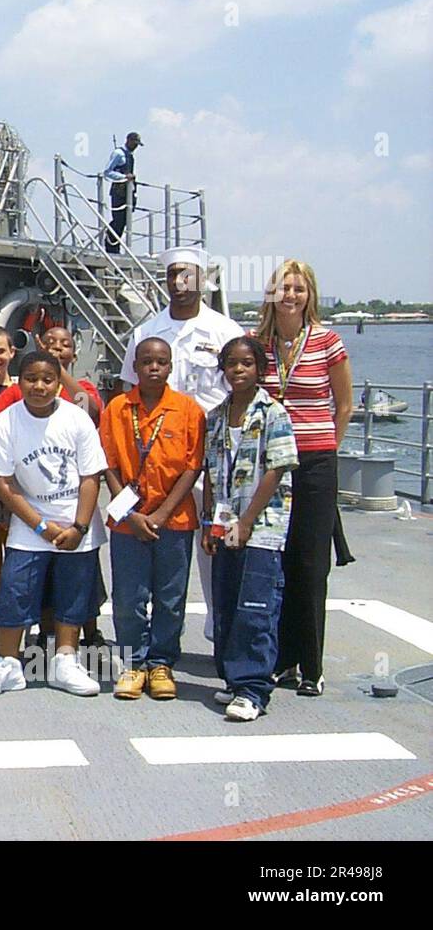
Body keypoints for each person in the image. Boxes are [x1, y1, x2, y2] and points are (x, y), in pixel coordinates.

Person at [120, 245, 243, 641]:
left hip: (215, 448)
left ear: (202, 280)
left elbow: (241, 388)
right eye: (172, 274)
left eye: (187, 274)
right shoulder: (147, 332)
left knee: (216, 534)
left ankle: (219, 620)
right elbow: (127, 391)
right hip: (158, 455)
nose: (179, 282)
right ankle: (149, 639)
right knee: (160, 541)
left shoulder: (226, 332)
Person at [0, 350, 107, 697]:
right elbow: (3, 483)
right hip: (29, 526)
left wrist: (78, 527)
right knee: (14, 592)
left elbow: (92, 477)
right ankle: (7, 666)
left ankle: (65, 662)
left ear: (59, 383)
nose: (40, 386)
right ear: (20, 380)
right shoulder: (6, 422)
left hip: (77, 526)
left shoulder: (77, 420)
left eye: (48, 379)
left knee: (72, 594)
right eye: (31, 378)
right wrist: (41, 526)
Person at [255, 260, 352, 696]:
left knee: (311, 566)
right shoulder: (259, 344)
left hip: (315, 465)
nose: (290, 296)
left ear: (309, 295)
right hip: (272, 467)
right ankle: (282, 659)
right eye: (283, 288)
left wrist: (327, 447)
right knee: (277, 561)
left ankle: (311, 664)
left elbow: (344, 405)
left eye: (298, 289)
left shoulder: (328, 343)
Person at [100, 338, 205, 701]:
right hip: (128, 522)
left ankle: (161, 663)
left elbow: (192, 466)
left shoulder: (188, 410)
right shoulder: (116, 408)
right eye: (146, 361)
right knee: (128, 596)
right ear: (135, 366)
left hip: (173, 521)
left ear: (171, 366)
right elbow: (108, 464)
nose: (154, 368)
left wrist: (160, 514)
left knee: (170, 596)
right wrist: (129, 513)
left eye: (161, 361)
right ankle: (132, 663)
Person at [203, 336, 298, 720]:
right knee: (225, 604)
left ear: (260, 368)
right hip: (225, 527)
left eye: (246, 363)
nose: (238, 370)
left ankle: (254, 689)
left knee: (256, 607)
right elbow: (210, 474)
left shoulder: (273, 413)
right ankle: (233, 679)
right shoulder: (216, 417)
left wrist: (245, 522)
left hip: (262, 527)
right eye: (231, 363)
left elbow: (275, 470)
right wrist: (212, 523)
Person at [0, 326, 102, 425]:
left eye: (65, 345)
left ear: (74, 357)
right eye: (50, 342)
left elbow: (90, 410)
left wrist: (56, 366)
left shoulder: (82, 387)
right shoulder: (20, 389)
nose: (57, 347)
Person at [103, 131, 141, 254]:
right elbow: (107, 172)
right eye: (134, 143)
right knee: (118, 220)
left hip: (128, 193)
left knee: (124, 222)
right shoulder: (119, 154)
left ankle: (115, 247)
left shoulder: (130, 156)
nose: (135, 146)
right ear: (128, 140)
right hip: (118, 192)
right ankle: (111, 246)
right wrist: (123, 177)